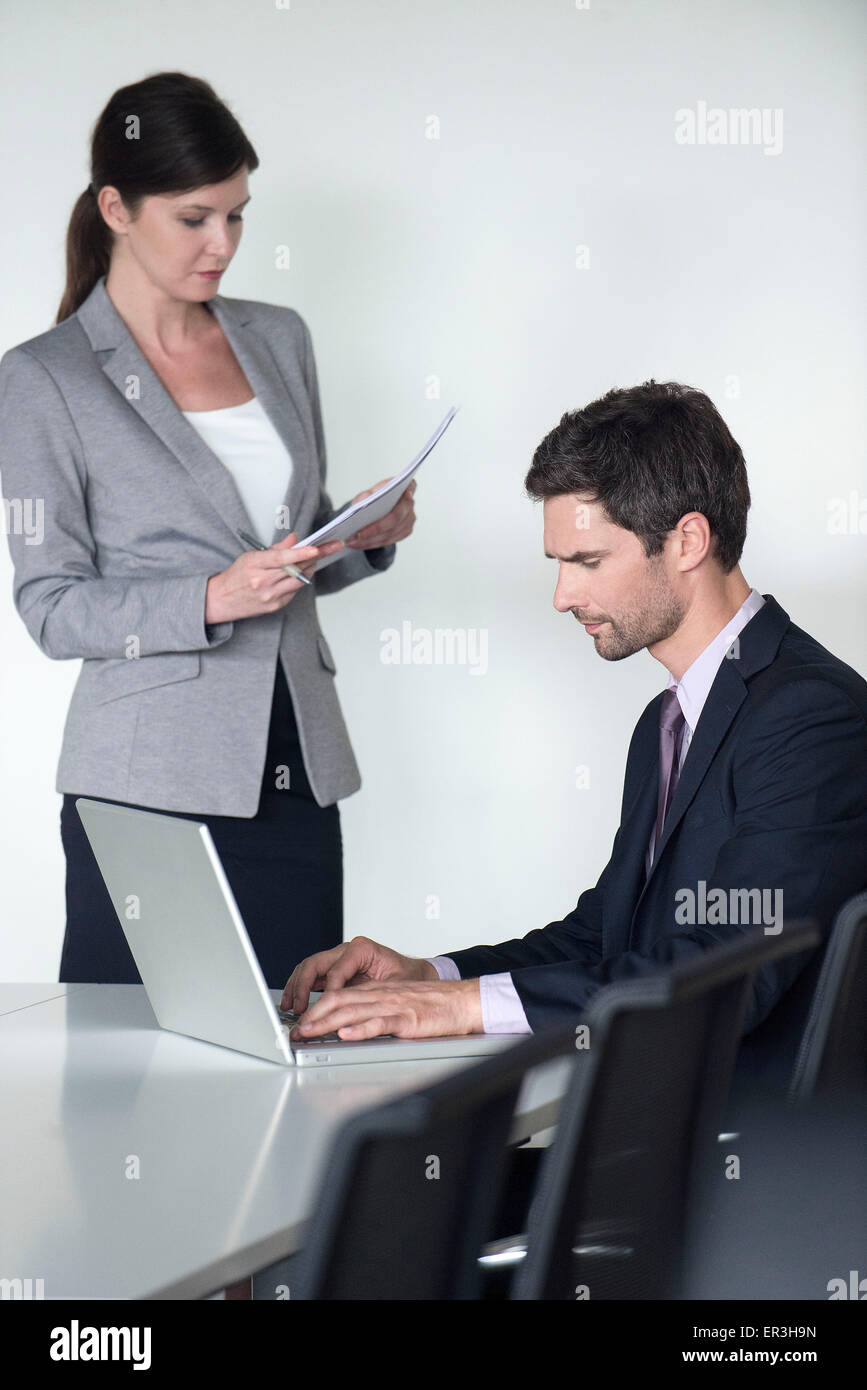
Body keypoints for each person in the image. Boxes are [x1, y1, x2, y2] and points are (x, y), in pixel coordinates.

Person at [283, 380, 867, 1098]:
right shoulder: (670, 718)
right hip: (641, 1118)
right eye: (557, 563)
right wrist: (431, 976)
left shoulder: (809, 716)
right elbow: (605, 937)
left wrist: (461, 1011)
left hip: (739, 1158)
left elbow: (730, 976)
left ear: (687, 540)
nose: (561, 596)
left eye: (586, 562)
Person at [0, 71, 416, 988]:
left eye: (237, 215)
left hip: (293, 767)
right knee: (126, 1078)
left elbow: (292, 546)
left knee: (292, 1051)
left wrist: (358, 535)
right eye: (194, 218)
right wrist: (210, 597)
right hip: (145, 786)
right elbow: (52, 608)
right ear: (115, 206)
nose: (222, 243)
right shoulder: (45, 379)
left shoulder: (279, 337)